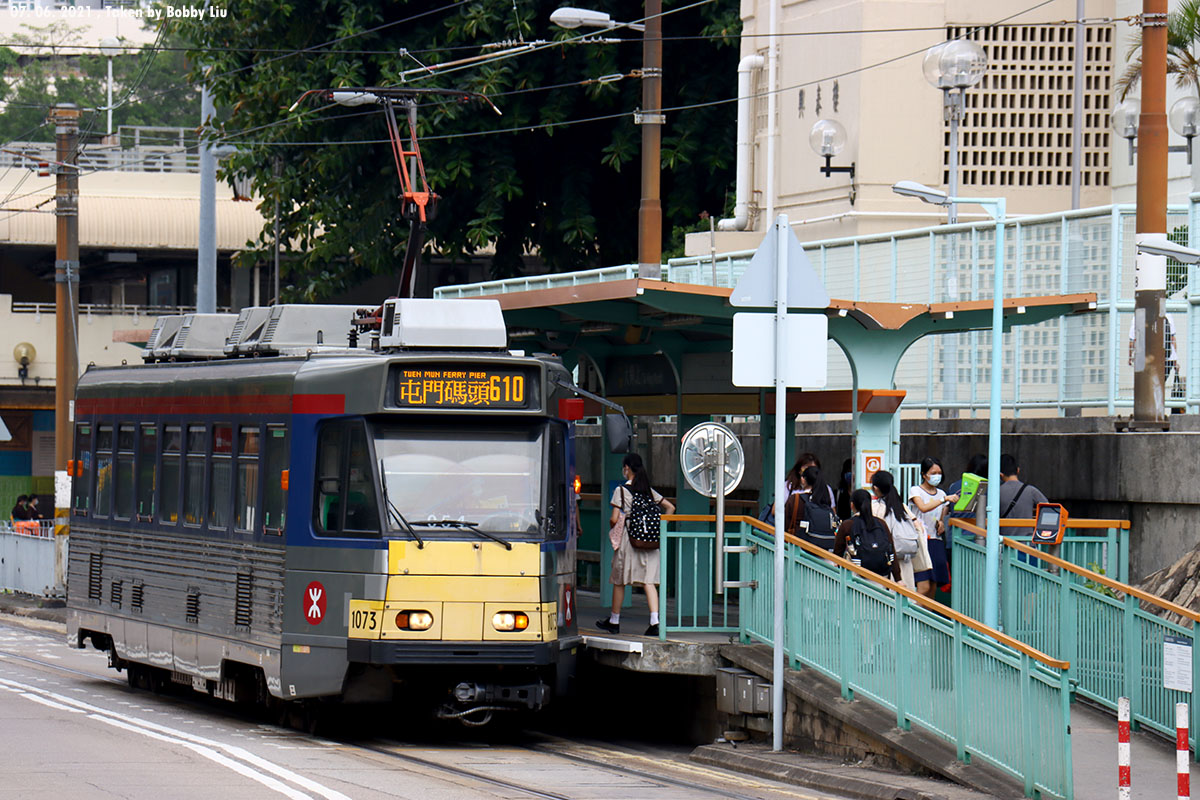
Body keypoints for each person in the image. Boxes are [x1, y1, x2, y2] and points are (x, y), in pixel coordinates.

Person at [597, 453, 675, 637]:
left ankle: (614, 621)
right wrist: (660, 528)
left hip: (629, 540)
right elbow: (671, 507)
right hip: (651, 542)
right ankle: (654, 622)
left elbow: (614, 518)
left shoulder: (621, 491)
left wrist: (617, 525)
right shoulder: (648, 490)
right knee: (649, 582)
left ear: (626, 468)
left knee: (619, 580)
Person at [871, 470, 932, 594]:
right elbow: (918, 529)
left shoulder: (875, 507)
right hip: (905, 562)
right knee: (903, 601)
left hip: (883, 564)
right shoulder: (902, 507)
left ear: (875, 489)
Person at [908, 457, 958, 597]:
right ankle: (914, 613)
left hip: (935, 540)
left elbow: (940, 517)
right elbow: (923, 508)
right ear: (924, 474)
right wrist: (944, 499)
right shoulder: (915, 490)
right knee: (923, 585)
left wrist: (941, 523)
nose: (937, 476)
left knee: (933, 585)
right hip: (920, 540)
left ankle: (926, 615)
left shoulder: (941, 493)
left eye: (939, 473)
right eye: (933, 473)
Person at [835, 489, 901, 580]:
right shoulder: (881, 523)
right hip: (882, 578)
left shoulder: (847, 525)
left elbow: (837, 553)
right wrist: (898, 579)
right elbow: (891, 550)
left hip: (856, 578)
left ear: (852, 505)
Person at [785, 466, 838, 551]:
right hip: (822, 550)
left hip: (798, 548)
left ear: (803, 479)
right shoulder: (824, 499)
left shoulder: (795, 499)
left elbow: (785, 523)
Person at [998, 454, 1048, 539]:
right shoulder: (1031, 490)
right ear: (1018, 470)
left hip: (1005, 544)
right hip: (1027, 544)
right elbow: (1049, 508)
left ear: (1000, 474)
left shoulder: (997, 492)